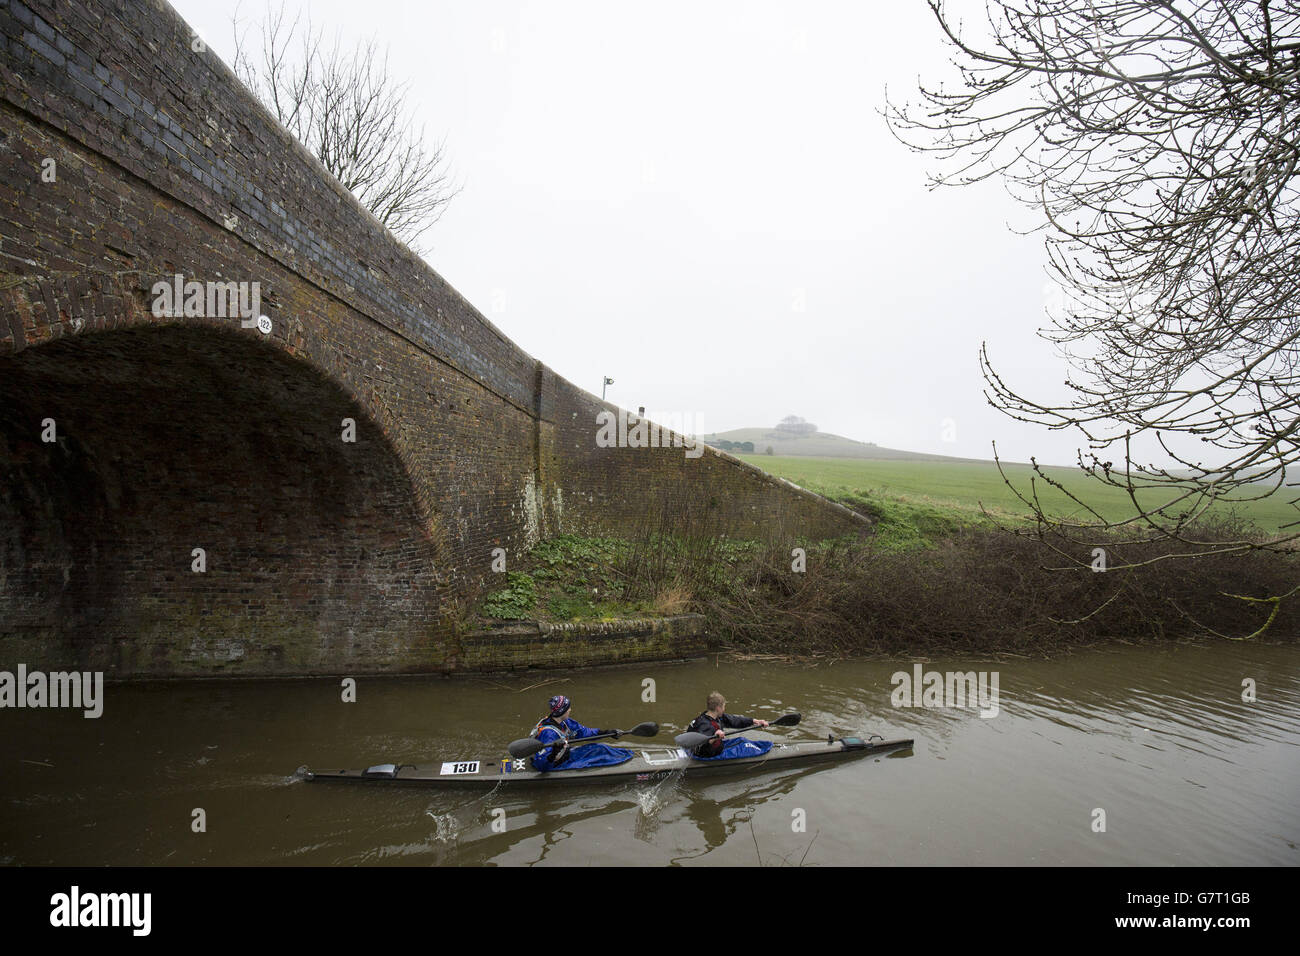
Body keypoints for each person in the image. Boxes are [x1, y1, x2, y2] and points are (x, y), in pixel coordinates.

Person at [531, 695, 634, 772]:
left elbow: (585, 732)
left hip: (564, 754)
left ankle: (625, 757)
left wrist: (608, 732)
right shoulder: (548, 733)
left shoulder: (565, 722)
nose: (570, 710)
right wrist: (554, 752)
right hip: (556, 764)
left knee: (600, 748)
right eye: (568, 708)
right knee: (601, 755)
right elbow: (542, 765)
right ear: (562, 711)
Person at [685, 692, 772, 760]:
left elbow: (735, 720)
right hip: (706, 754)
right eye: (723, 706)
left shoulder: (710, 717)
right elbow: (701, 744)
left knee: (741, 740)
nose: (724, 709)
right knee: (743, 743)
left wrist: (755, 721)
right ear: (718, 708)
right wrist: (714, 737)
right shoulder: (706, 725)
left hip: (703, 749)